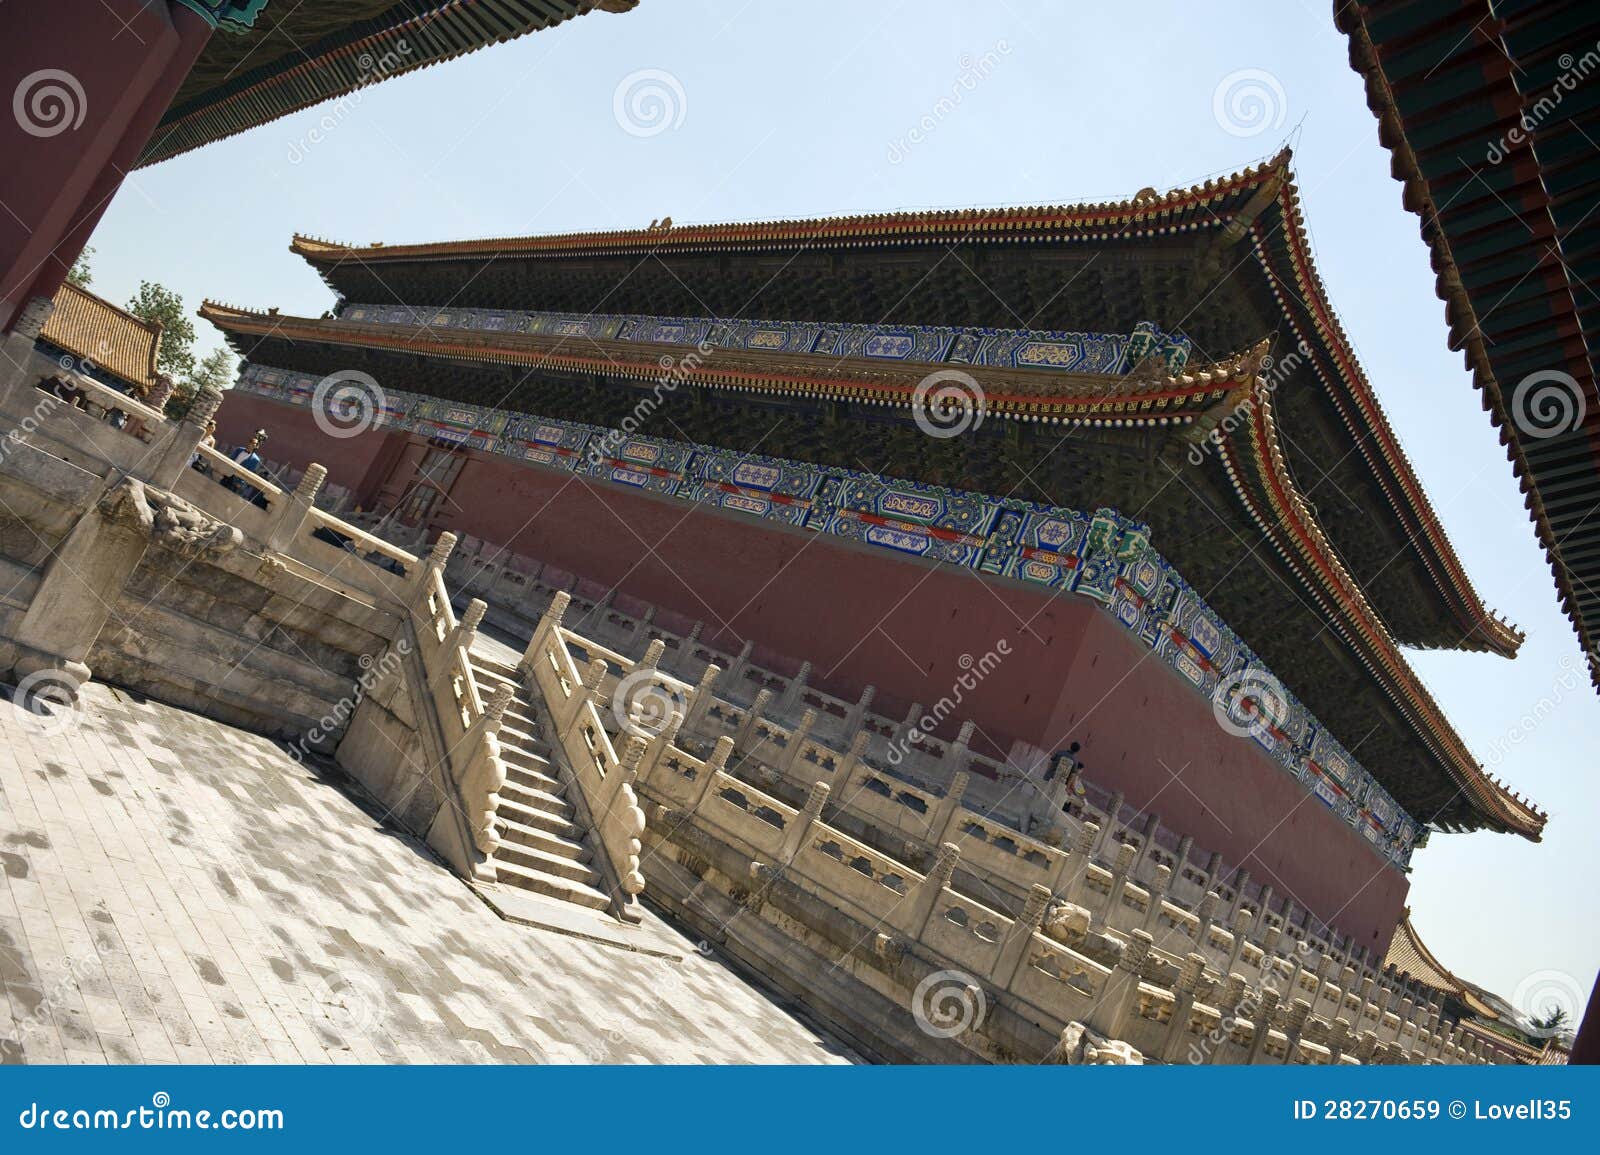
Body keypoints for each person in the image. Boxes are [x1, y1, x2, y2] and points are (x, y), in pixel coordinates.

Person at [224, 429, 269, 506]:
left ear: (257, 446)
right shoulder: (239, 449)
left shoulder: (255, 459)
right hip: (227, 474)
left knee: (228, 500)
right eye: (251, 442)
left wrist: (241, 483)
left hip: (236, 481)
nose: (252, 444)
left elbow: (249, 472)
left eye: (254, 444)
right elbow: (230, 459)